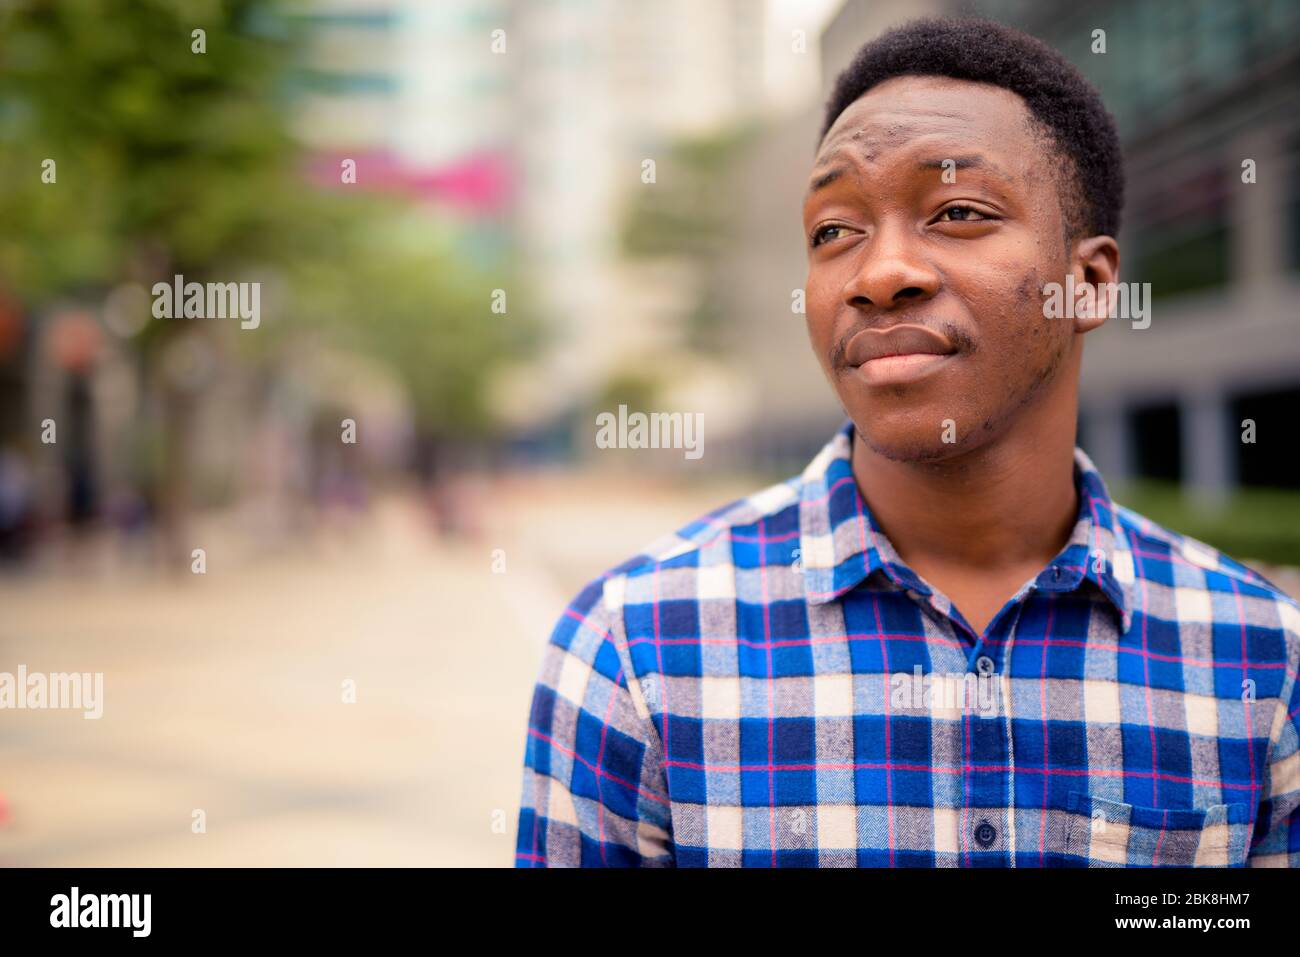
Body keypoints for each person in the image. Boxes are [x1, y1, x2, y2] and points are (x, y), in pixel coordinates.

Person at [514, 17, 1300, 867]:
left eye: (958, 211)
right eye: (833, 230)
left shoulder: (1262, 661)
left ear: (1089, 282)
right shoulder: (635, 650)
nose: (879, 273)